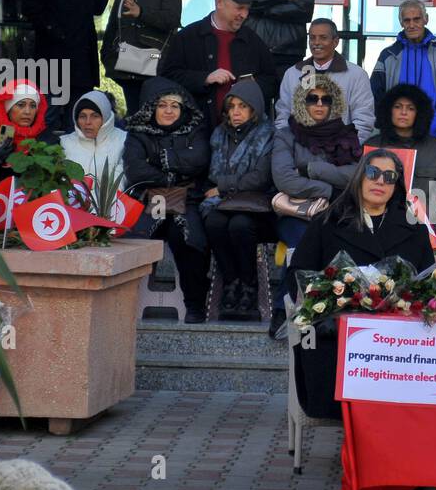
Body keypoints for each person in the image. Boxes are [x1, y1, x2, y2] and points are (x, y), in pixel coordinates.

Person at [287, 149, 433, 419]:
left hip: (399, 334)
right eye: (373, 173)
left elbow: (427, 283)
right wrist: (336, 292)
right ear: (359, 178)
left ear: (397, 186)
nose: (380, 181)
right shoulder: (328, 221)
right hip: (339, 328)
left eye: (389, 177)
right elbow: (298, 273)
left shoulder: (415, 229)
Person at [269, 76, 364, 336]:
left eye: (326, 99)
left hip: (336, 211)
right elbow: (285, 179)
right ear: (302, 102)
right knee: (303, 244)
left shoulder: (347, 135)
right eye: (313, 98)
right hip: (297, 213)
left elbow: (356, 175)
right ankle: (283, 308)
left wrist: (312, 169)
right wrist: (330, 188)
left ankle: (333, 310)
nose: (319, 104)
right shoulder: (287, 135)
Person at [123, 77, 212, 324]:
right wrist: (176, 172)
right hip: (146, 200)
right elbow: (136, 171)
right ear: (152, 108)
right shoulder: (138, 133)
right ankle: (122, 306)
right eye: (162, 105)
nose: (169, 111)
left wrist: (159, 162)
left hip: (187, 201)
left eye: (175, 106)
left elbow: (199, 161)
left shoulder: (195, 130)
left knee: (188, 240)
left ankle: (194, 305)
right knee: (132, 241)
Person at [20, 0, 109, 132]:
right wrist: (57, 33)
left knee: (77, 120)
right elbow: (32, 8)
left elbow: (98, 7)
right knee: (48, 118)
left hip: (81, 60)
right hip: (54, 56)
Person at [201, 78, 277, 321]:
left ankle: (249, 284)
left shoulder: (268, 135)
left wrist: (223, 186)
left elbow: (260, 178)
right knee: (213, 223)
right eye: (231, 106)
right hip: (224, 203)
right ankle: (231, 282)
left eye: (242, 106)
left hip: (256, 207)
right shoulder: (219, 135)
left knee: (240, 225)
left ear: (254, 109)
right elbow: (211, 172)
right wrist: (225, 188)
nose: (235, 112)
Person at [158, 0, 278, 125]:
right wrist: (205, 78)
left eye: (247, 9)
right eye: (239, 8)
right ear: (219, 3)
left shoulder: (253, 41)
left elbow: (271, 81)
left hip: (243, 134)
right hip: (197, 130)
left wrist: (253, 87)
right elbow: (168, 77)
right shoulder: (188, 37)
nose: (244, 14)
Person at [100, 0, 184, 113]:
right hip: (126, 63)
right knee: (133, 115)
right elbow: (114, 21)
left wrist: (141, 13)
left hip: (152, 62)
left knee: (151, 116)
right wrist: (106, 53)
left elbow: (171, 19)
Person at [274, 18, 376, 141]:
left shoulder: (357, 75)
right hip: (298, 152)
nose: (316, 42)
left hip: (340, 153)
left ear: (336, 42)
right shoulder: (292, 73)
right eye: (312, 38)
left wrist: (347, 150)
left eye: (323, 37)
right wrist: (288, 146)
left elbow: (363, 122)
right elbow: (282, 117)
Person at [369, 0, 436, 131]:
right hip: (397, 133)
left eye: (417, 19)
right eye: (407, 20)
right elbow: (375, 95)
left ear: (426, 19)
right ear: (401, 22)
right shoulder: (388, 55)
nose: (412, 25)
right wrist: (386, 124)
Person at [363, 83, 436, 197]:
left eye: (410, 108)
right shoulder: (372, 145)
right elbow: (359, 185)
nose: (403, 112)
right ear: (388, 110)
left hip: (425, 212)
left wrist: (423, 210)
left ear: (420, 114)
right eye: (397, 106)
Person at [0, 80, 57, 177]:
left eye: (33, 106)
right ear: (7, 108)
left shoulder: (46, 139)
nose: (27, 111)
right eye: (21, 105)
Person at [58, 89, 126, 187]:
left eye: (95, 116)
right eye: (82, 116)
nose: (88, 122)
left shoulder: (123, 141)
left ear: (105, 117)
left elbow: (118, 185)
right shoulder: (64, 143)